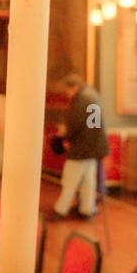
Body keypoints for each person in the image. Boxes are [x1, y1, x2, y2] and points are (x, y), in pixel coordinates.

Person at [49, 73, 109, 221]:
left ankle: (60, 210)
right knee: (88, 182)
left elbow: (75, 124)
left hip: (81, 148)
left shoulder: (82, 99)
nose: (67, 94)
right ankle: (86, 210)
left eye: (68, 91)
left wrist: (67, 137)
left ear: (75, 87)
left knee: (69, 180)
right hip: (92, 147)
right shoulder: (92, 95)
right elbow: (92, 126)